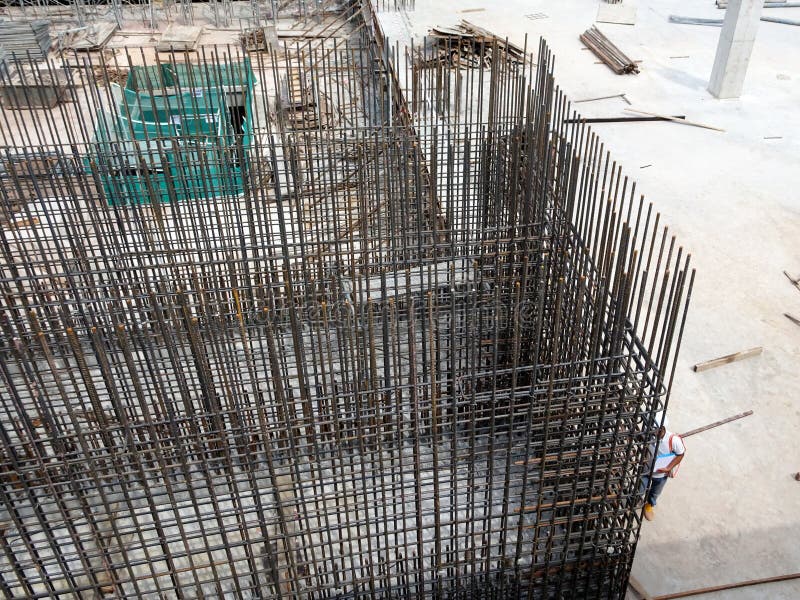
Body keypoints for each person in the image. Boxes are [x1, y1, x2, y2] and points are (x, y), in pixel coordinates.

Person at [640, 414, 685, 521]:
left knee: (655, 492)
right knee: (640, 488)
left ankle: (649, 506)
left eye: (654, 429)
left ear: (662, 428)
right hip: (646, 470)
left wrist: (669, 468)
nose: (651, 431)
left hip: (661, 473)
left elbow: (681, 454)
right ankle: (636, 502)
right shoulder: (650, 434)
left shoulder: (673, 440)